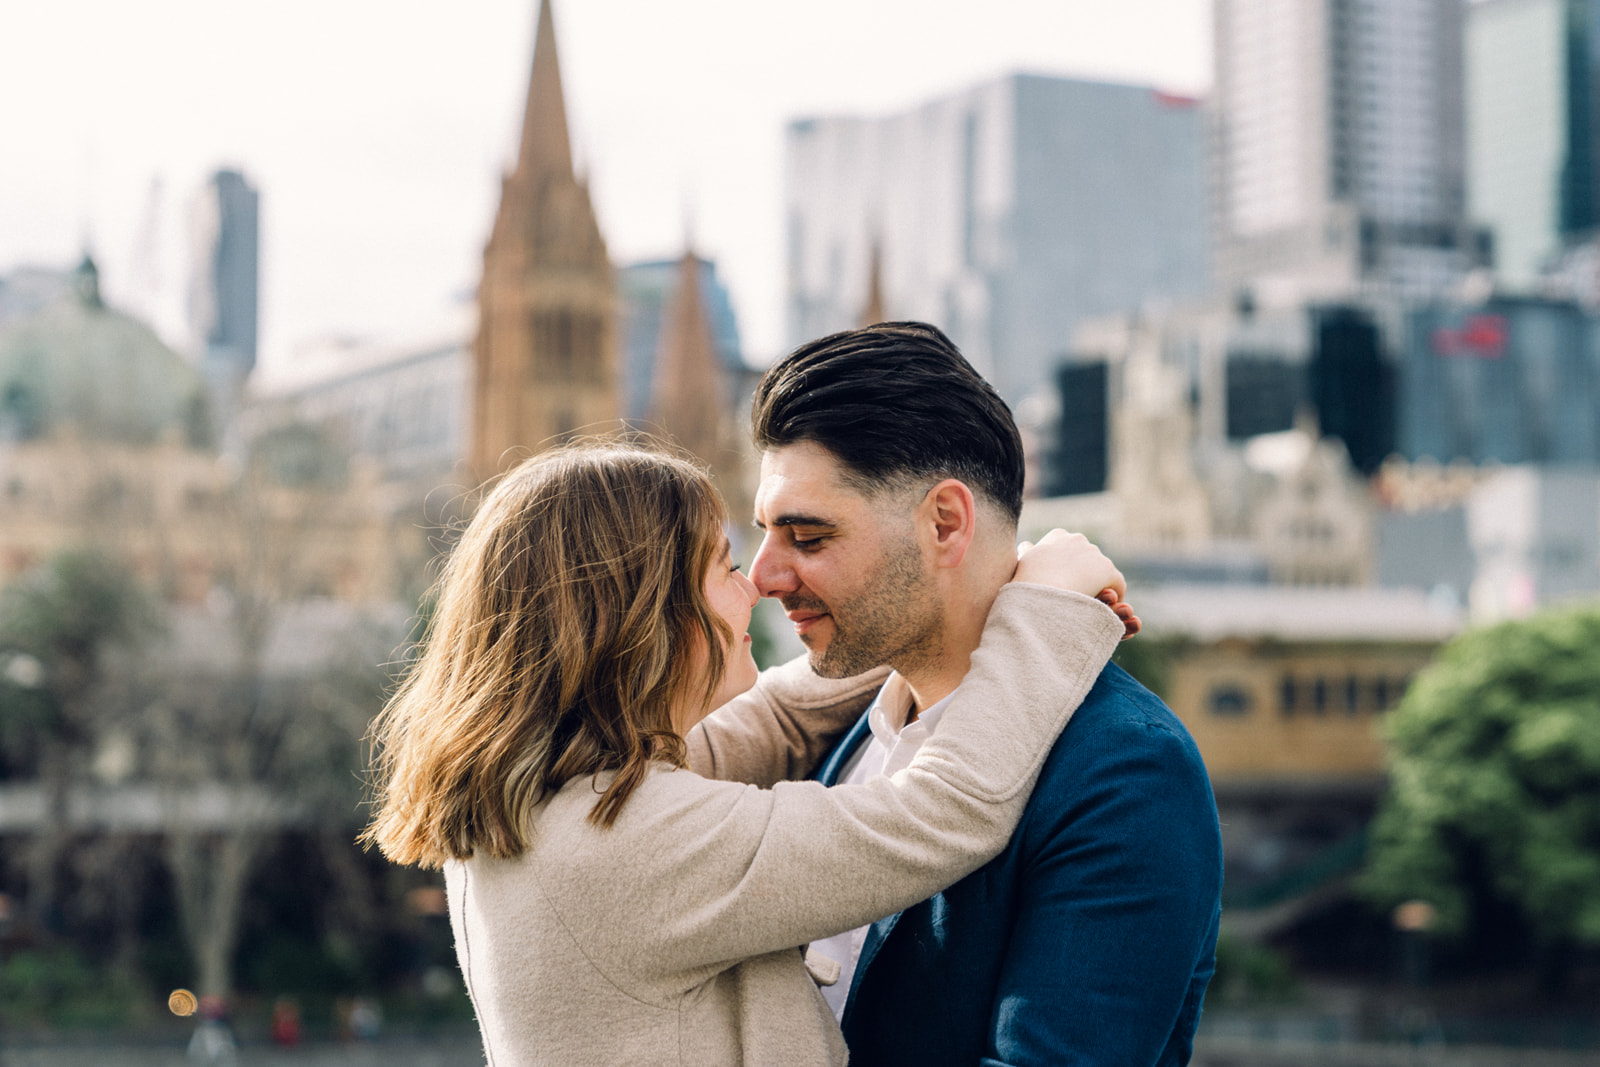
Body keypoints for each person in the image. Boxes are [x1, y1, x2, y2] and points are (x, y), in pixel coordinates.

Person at [363, 442, 1132, 1066]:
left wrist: (956, 601)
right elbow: (943, 809)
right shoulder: (630, 843)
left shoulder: (546, 799)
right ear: (642, 614)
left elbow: (775, 718)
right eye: (724, 566)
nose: (754, 587)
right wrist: (1043, 611)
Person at [748, 321, 1224, 1066]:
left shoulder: (1127, 769)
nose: (763, 577)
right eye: (764, 534)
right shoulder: (845, 726)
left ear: (945, 523)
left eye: (807, 538)